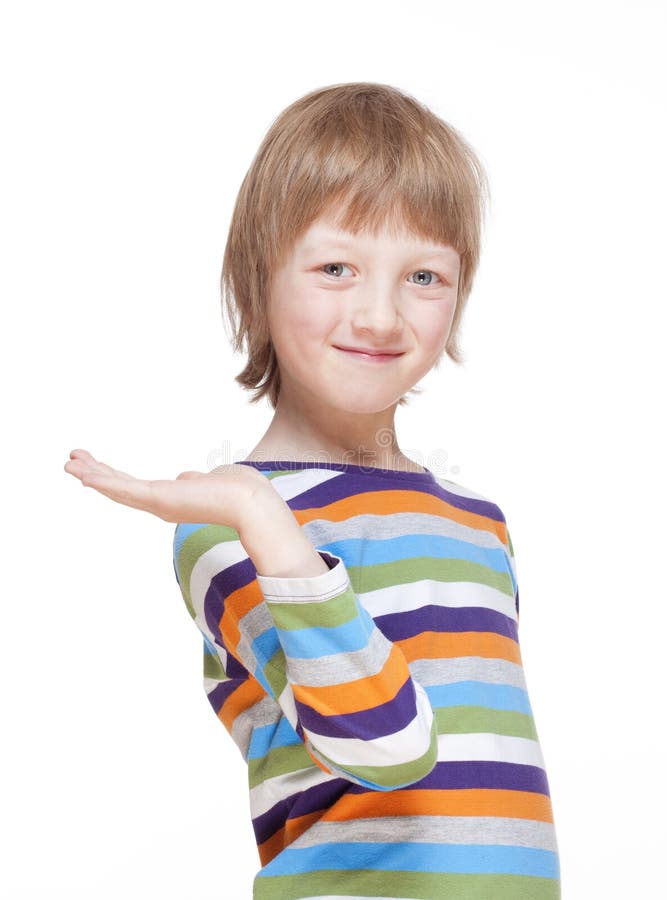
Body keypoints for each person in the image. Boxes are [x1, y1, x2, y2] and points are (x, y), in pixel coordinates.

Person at [65, 82, 561, 899]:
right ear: (256, 281)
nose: (379, 316)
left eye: (424, 276)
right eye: (336, 268)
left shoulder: (480, 525)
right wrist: (262, 517)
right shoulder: (229, 525)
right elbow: (383, 749)